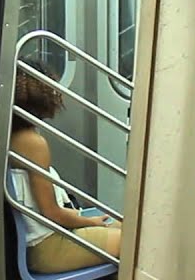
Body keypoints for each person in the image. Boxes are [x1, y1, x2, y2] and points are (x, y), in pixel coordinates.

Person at [8, 60, 121, 273]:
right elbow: (52, 212)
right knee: (132, 241)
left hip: (42, 240)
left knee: (127, 228)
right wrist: (90, 222)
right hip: (48, 247)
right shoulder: (33, 143)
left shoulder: (10, 135)